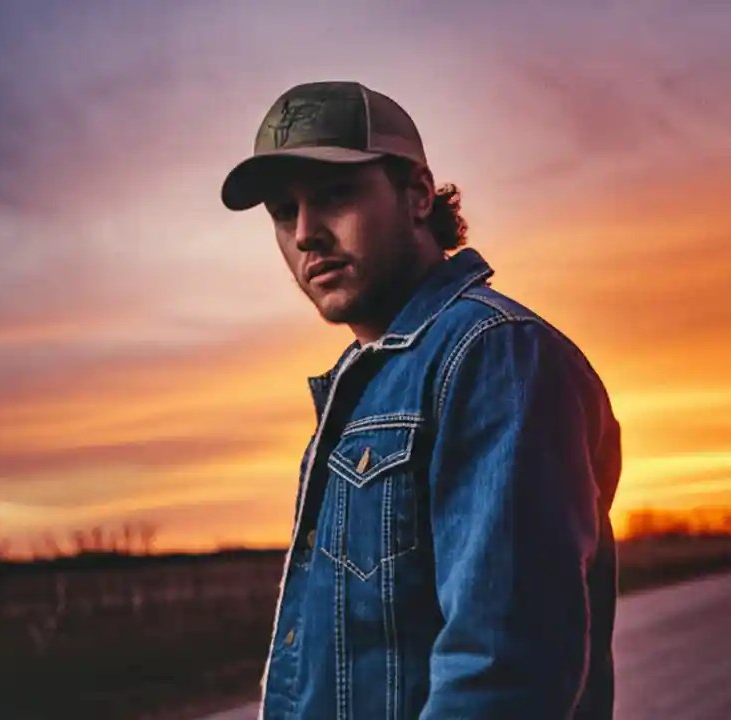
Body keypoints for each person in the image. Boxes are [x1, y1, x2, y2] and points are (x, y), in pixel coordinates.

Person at [220, 80, 623, 720]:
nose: (304, 234)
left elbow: (501, 667)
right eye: (281, 210)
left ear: (415, 195)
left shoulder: (494, 354)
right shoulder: (366, 383)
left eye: (334, 195)